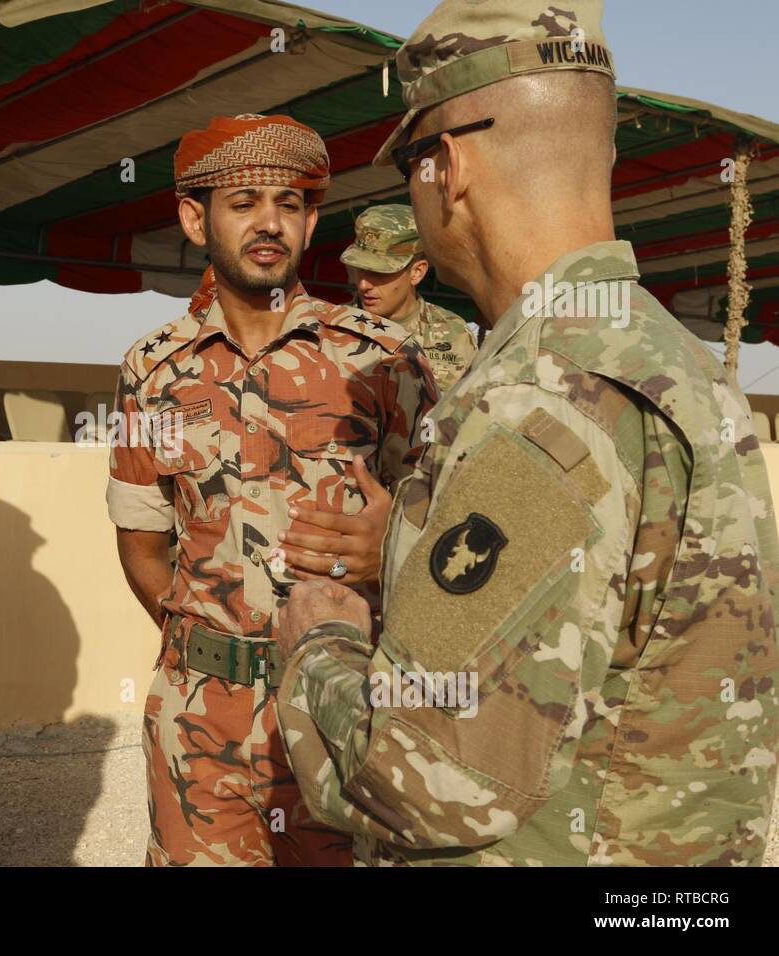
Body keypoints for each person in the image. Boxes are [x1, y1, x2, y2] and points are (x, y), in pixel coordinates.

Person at [273, 0, 779, 866]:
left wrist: (319, 642)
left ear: (448, 167)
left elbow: (434, 784)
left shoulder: (540, 397)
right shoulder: (671, 358)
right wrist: (404, 535)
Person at [107, 113, 437, 866]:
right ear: (196, 219)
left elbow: (444, 531)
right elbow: (141, 536)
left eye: (290, 204)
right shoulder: (152, 370)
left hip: (340, 706)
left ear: (311, 220)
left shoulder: (381, 359)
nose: (269, 224)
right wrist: (206, 644)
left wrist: (394, 550)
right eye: (244, 202)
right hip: (199, 723)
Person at [341, 203, 477, 391]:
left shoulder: (455, 334)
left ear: (417, 273)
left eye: (379, 273)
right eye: (360, 270)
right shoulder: (335, 327)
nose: (363, 285)